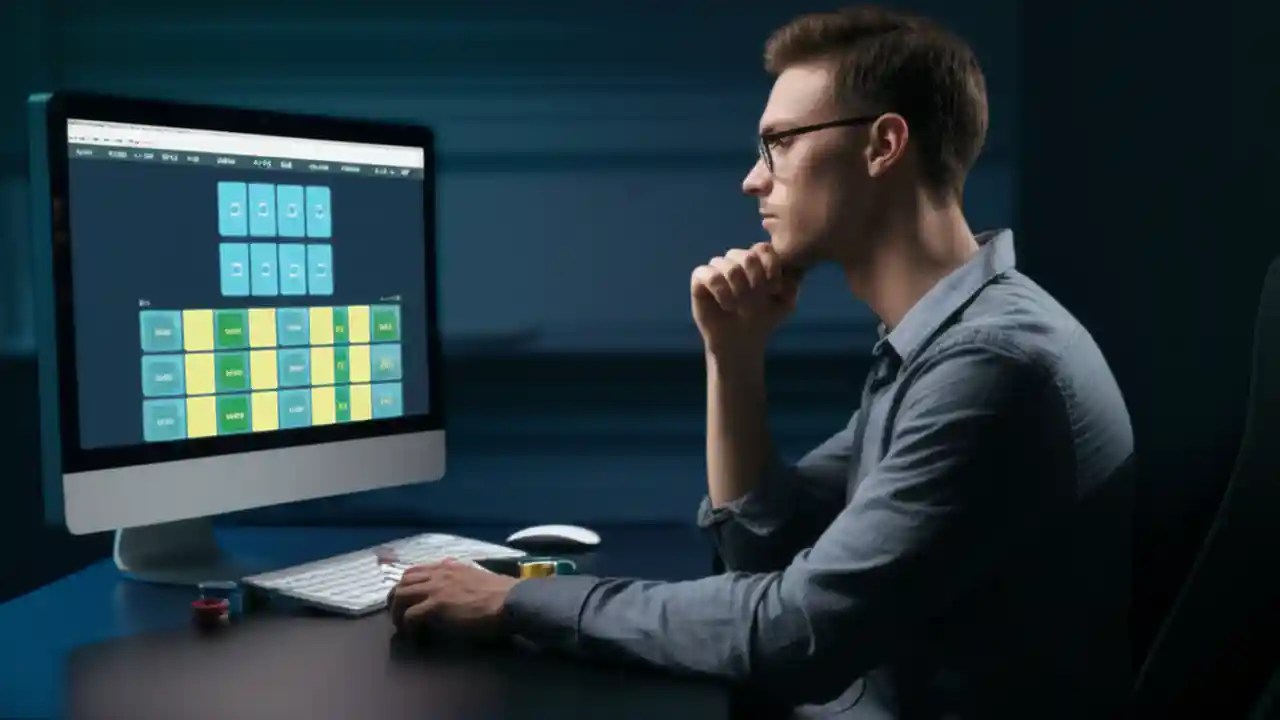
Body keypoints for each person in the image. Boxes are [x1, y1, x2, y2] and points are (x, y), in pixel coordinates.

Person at [389, 5, 1135, 718]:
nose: (754, 179)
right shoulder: (936, 343)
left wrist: (516, 601)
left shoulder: (991, 367)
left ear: (883, 145)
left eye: (778, 142)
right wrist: (734, 359)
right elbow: (762, 551)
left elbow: (793, 634)